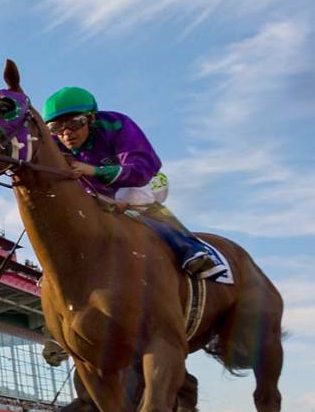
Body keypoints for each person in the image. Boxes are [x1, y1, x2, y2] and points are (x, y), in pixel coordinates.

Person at [42, 86, 220, 278]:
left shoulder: (117, 124)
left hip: (147, 180)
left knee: (132, 195)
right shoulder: (55, 143)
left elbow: (142, 169)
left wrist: (94, 170)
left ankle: (190, 248)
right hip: (98, 193)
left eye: (75, 124)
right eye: (56, 128)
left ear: (91, 119)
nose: (66, 133)